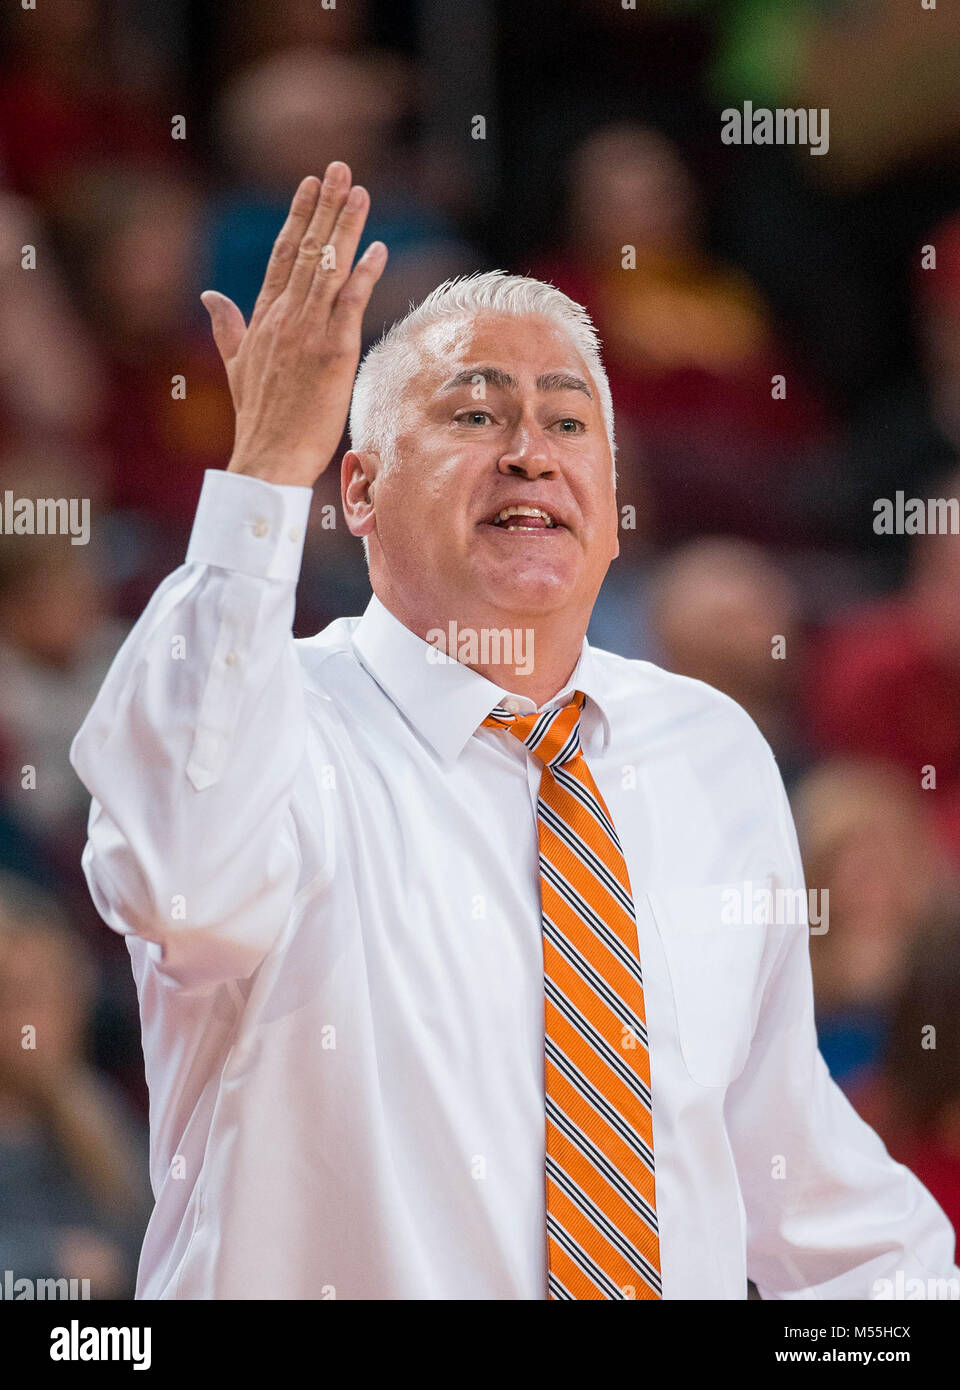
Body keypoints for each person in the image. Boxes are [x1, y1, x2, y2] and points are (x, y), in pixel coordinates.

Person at [71, 165, 959, 1300]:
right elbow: (174, 889)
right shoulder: (273, 719)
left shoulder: (709, 749)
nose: (530, 449)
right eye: (476, 412)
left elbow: (790, 1171)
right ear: (359, 488)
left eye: (569, 418)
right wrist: (260, 480)